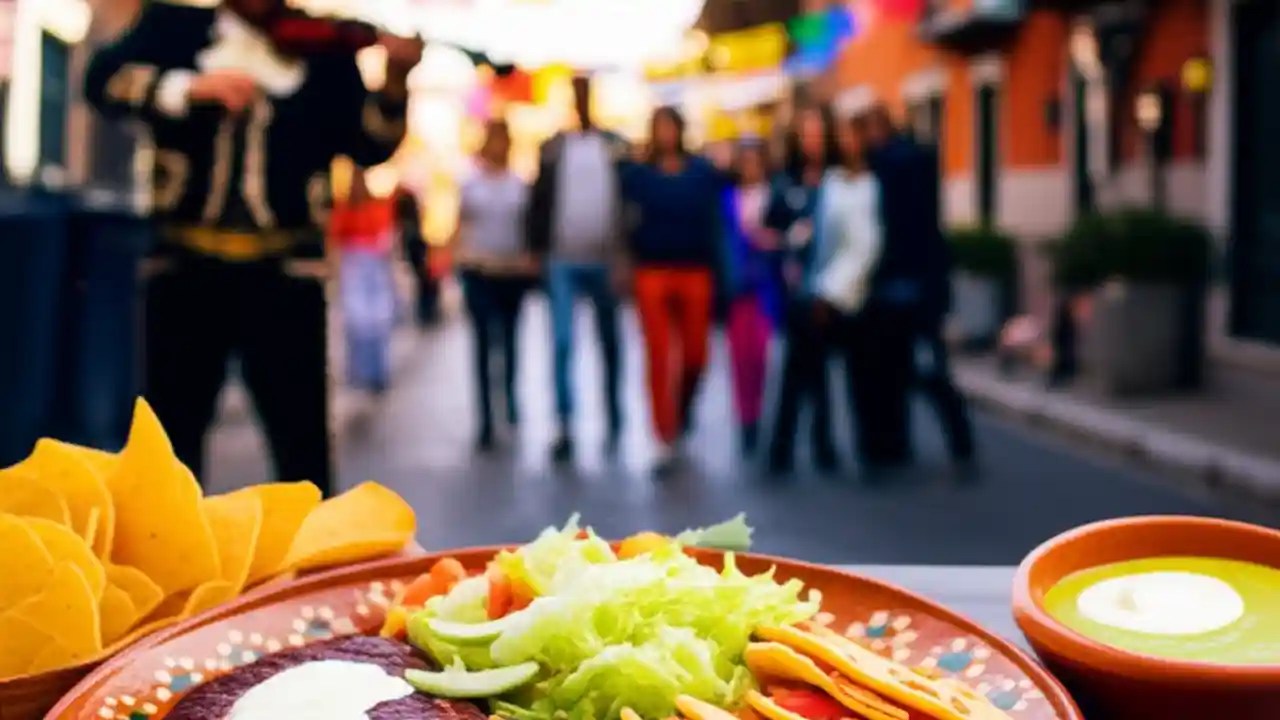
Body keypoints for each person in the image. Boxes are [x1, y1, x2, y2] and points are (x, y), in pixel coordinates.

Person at [84, 0, 422, 495]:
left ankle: (309, 567)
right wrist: (184, 88)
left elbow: (370, 146)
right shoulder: (174, 28)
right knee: (169, 443)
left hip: (287, 275)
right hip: (185, 269)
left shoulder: (324, 49)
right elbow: (101, 80)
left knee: (301, 447)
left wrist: (396, 80)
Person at [862, 105, 975, 464]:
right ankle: (958, 441)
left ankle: (900, 444)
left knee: (900, 371)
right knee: (929, 369)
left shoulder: (884, 168)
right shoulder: (920, 160)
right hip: (924, 284)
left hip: (901, 284)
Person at [619, 107, 728, 474]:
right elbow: (625, 217)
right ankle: (663, 435)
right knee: (659, 354)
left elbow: (717, 218)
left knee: (697, 352)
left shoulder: (701, 172)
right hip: (653, 270)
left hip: (694, 269)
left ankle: (682, 411)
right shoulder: (638, 175)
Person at [527, 75, 628, 462]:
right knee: (563, 342)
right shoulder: (554, 148)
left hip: (604, 258)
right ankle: (565, 423)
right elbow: (539, 199)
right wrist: (536, 249)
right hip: (563, 258)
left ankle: (614, 416)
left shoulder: (612, 146)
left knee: (610, 343)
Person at [765, 104, 840, 474]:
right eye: (806, 135)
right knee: (803, 366)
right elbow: (769, 227)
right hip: (797, 288)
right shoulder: (786, 182)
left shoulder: (837, 180)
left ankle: (791, 446)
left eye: (818, 134)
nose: (812, 142)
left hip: (830, 286)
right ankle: (813, 446)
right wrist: (788, 239)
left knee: (808, 368)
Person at [454, 120, 537, 451]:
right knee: (483, 346)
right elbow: (461, 224)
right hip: (480, 271)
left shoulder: (519, 185)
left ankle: (510, 402)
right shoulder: (471, 183)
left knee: (511, 342)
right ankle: (485, 418)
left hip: (511, 273)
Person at [810, 116, 885, 465]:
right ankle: (828, 447)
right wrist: (822, 288)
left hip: (867, 293)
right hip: (831, 291)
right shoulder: (832, 182)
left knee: (868, 377)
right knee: (825, 375)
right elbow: (826, 241)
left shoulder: (877, 182)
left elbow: (870, 242)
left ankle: (871, 446)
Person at [722, 142, 783, 454]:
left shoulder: (775, 195)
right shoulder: (728, 200)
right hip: (738, 289)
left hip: (766, 287)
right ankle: (746, 417)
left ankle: (761, 414)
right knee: (739, 358)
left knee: (762, 355)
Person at [330, 170, 398, 395]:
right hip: (355, 264)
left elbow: (386, 238)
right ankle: (360, 372)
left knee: (377, 319)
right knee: (357, 320)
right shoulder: (344, 209)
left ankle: (377, 371)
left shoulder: (377, 207)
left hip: (373, 264)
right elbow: (337, 240)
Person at [397, 188, 438, 328]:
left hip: (418, 262)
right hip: (420, 262)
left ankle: (426, 313)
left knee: (424, 287)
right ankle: (427, 313)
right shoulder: (413, 226)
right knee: (425, 287)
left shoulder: (407, 226)